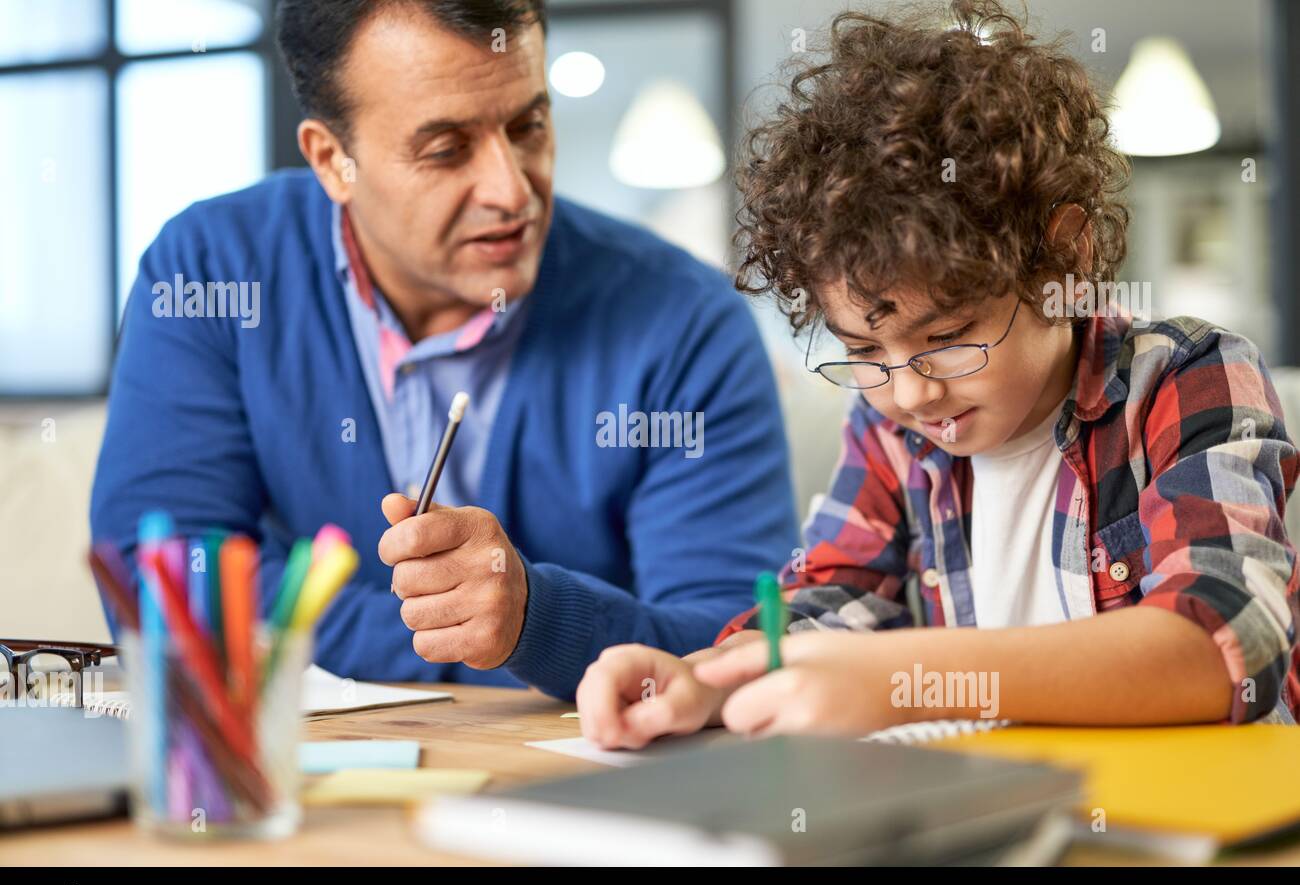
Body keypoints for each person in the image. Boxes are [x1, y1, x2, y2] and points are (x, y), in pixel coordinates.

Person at [576, 0, 1300, 746]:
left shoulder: (1188, 379)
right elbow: (829, 600)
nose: (911, 391)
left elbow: (1218, 646)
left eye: (948, 336)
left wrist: (902, 679)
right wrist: (709, 677)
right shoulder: (893, 432)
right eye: (864, 351)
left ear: (1066, 258)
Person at [90, 0, 798, 699]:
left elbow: (734, 644)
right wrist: (474, 640)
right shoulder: (209, 271)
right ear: (333, 160)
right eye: (446, 150)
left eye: (529, 126)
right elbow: (165, 582)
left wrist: (533, 618)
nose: (511, 190)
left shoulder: (685, 318)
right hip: (295, 788)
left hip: (572, 797)